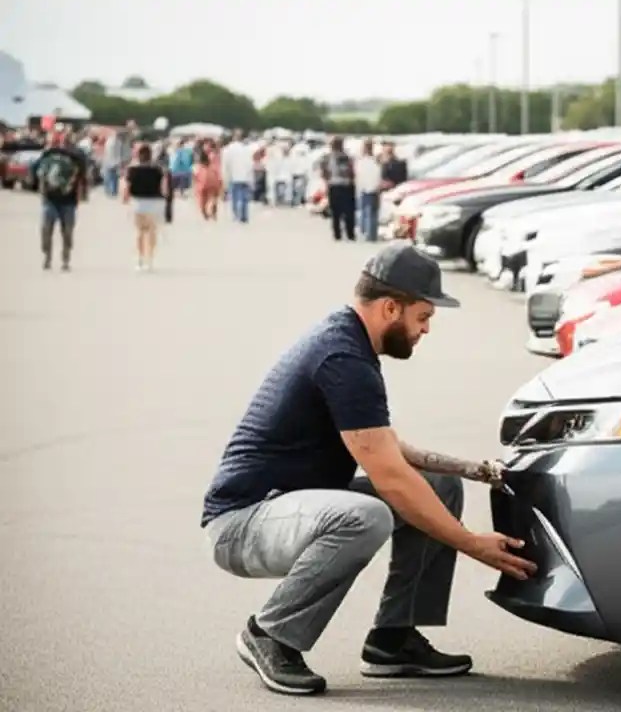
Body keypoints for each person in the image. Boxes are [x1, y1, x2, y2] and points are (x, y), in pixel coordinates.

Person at [201, 243, 536, 696]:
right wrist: (473, 544)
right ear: (390, 307)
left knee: (438, 488)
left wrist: (477, 470)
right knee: (369, 514)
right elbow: (390, 477)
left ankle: (393, 640)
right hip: (242, 523)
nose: (426, 329)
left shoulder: (350, 345)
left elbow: (389, 447)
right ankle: (270, 634)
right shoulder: (343, 358)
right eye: (423, 316)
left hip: (290, 509)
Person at [32, 133, 89, 271]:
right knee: (46, 230)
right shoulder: (47, 155)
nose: (61, 144)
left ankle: (65, 259)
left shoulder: (76, 157)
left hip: (68, 201)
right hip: (49, 199)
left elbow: (83, 174)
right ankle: (47, 256)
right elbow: (34, 169)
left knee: (67, 232)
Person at [122, 143, 168, 271]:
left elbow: (127, 187)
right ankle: (150, 259)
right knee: (152, 232)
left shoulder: (132, 169)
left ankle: (140, 258)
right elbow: (164, 188)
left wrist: (125, 199)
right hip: (154, 203)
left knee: (140, 232)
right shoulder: (158, 169)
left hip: (138, 203)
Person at [320, 136, 357, 241]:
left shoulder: (327, 157)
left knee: (336, 212)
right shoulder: (347, 157)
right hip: (346, 186)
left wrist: (327, 181)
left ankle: (337, 234)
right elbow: (352, 172)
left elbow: (323, 172)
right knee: (348, 211)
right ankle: (350, 234)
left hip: (334, 185)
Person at [221, 130, 254, 223]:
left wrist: (225, 181)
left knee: (235, 197)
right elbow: (250, 165)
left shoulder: (227, 150)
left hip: (233, 177)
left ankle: (236, 215)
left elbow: (225, 166)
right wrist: (251, 178)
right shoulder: (246, 149)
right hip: (245, 177)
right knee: (244, 197)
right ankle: (244, 216)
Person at [356, 139, 382, 242]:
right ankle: (372, 234)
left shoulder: (362, 161)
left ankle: (365, 232)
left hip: (364, 189)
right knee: (372, 213)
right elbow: (378, 175)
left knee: (365, 212)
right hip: (373, 189)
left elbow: (359, 176)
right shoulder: (375, 161)